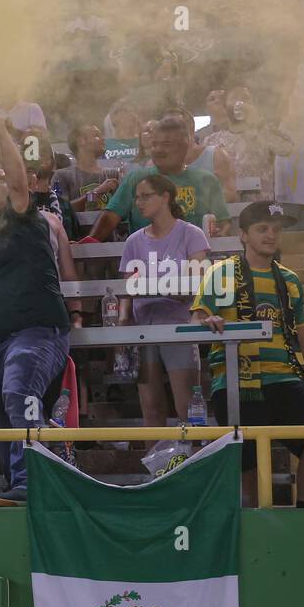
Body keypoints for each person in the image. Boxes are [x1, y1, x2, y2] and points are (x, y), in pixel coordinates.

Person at [0, 116, 72, 506]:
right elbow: (22, 285)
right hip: (4, 336)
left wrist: (1, 133)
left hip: (39, 332)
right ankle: (18, 484)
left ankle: (32, 483)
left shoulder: (25, 214)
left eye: (0, 178)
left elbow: (20, 179)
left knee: (18, 394)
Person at [191, 201, 304, 507]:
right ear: (243, 235)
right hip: (237, 381)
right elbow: (197, 317)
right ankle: (253, 522)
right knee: (246, 460)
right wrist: (207, 320)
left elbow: (303, 334)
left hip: (286, 378)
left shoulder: (289, 279)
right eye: (262, 229)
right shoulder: (220, 272)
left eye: (276, 230)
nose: (270, 235)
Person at [116, 174, 212, 426]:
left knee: (187, 408)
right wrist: (123, 326)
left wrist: (157, 288)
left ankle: (192, 462)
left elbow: (197, 282)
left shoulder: (191, 234)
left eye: (145, 196)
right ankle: (155, 465)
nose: (139, 202)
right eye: (136, 198)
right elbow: (127, 290)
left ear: (165, 197)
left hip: (178, 328)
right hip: (143, 331)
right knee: (151, 409)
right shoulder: (133, 241)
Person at [90, 115, 231, 239]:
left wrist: (221, 234)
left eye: (166, 144)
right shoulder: (136, 178)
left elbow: (223, 223)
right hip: (146, 261)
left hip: (194, 261)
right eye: (155, 144)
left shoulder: (206, 180)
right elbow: (110, 217)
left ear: (184, 146)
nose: (158, 150)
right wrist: (89, 241)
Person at [202, 86, 294, 198]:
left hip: (260, 210)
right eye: (234, 98)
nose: (240, 103)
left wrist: (257, 122)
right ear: (225, 106)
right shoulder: (211, 142)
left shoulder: (263, 134)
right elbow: (203, 179)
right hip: (225, 211)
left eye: (245, 98)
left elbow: (287, 149)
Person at [54, 123, 121, 212]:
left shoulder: (113, 174)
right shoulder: (62, 176)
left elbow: (122, 212)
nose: (103, 139)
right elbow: (63, 211)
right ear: (80, 141)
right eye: (96, 135)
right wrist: (96, 192)